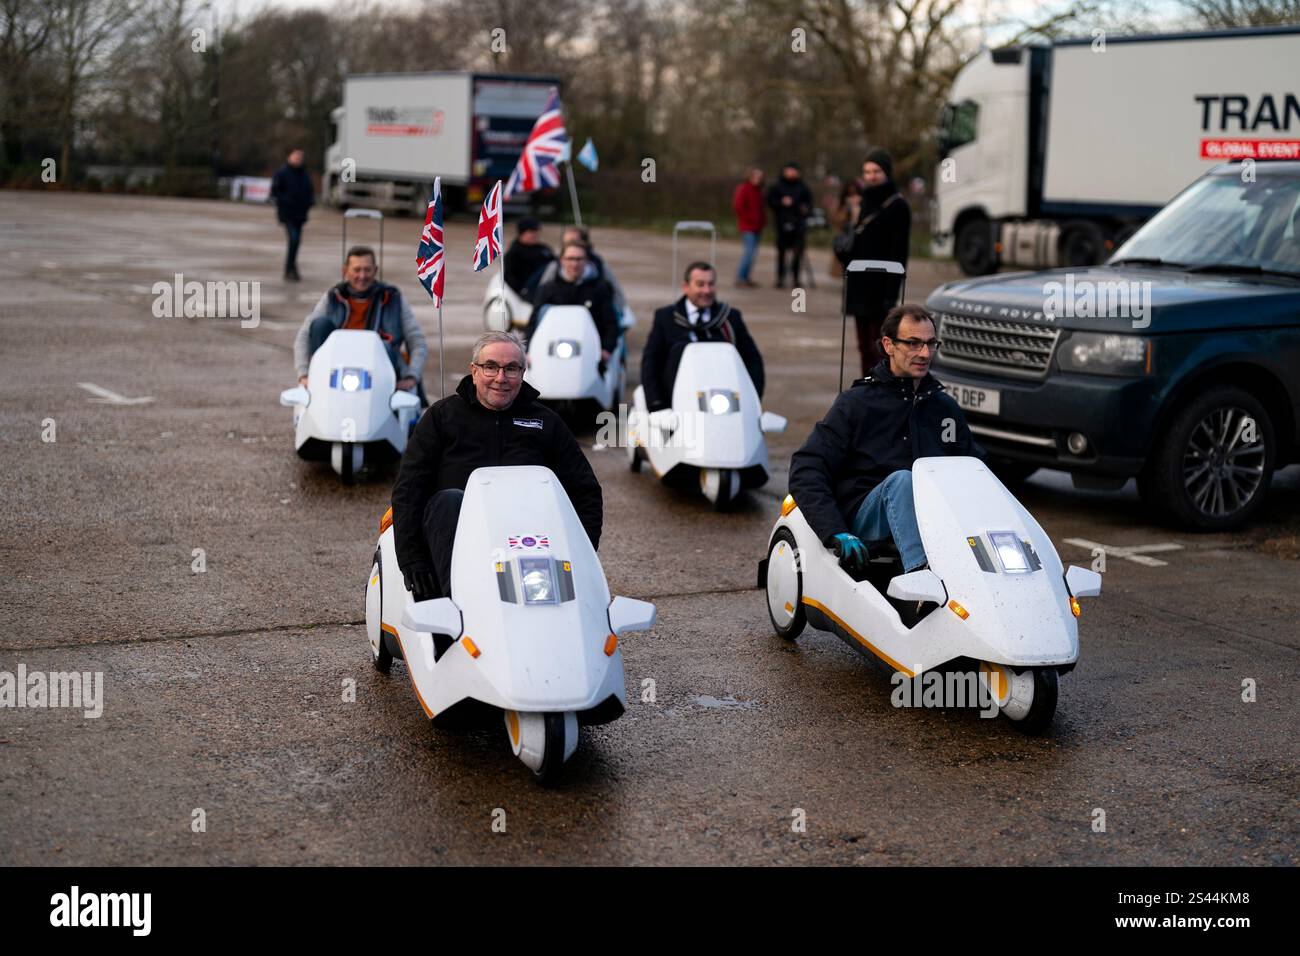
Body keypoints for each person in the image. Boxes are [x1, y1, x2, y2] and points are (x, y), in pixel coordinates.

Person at [390, 331, 603, 612]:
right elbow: (408, 490)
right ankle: (459, 617)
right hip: (457, 536)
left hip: (528, 537)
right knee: (448, 500)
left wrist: (581, 554)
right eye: (491, 366)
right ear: (474, 371)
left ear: (523, 372)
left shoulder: (546, 422)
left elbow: (585, 491)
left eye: (511, 368)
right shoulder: (441, 417)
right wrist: (412, 559)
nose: (501, 378)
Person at [787, 304, 983, 577]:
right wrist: (835, 530)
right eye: (913, 343)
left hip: (934, 517)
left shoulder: (944, 407)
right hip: (867, 518)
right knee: (902, 481)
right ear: (889, 345)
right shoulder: (856, 403)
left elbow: (974, 467)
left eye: (930, 343)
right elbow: (806, 468)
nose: (924, 353)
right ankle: (921, 579)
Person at [293, 245, 427, 400]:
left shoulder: (393, 297)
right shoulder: (333, 296)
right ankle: (319, 395)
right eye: (357, 270)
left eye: (367, 270)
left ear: (375, 270)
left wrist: (412, 376)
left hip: (381, 374)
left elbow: (417, 340)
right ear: (345, 272)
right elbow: (304, 335)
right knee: (319, 324)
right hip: (336, 370)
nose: (362, 276)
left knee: (384, 345)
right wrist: (303, 374)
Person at [641, 261, 764, 412]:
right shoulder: (666, 317)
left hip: (722, 402)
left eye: (711, 284)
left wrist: (751, 401)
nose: (706, 290)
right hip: (675, 402)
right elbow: (651, 363)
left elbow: (753, 361)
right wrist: (657, 403)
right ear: (686, 287)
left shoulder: (729, 319)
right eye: (700, 284)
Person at [835, 148, 912, 375]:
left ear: (886, 172)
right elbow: (856, 243)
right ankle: (866, 390)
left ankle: (882, 391)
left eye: (876, 171)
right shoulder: (861, 200)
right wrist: (842, 249)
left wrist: (891, 292)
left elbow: (900, 252)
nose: (871, 176)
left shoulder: (898, 205)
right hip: (858, 281)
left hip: (881, 285)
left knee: (880, 346)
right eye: (867, 171)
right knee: (862, 346)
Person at [528, 240, 620, 367]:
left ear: (587, 260)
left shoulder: (600, 288)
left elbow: (611, 323)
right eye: (570, 258)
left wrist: (607, 349)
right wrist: (528, 349)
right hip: (551, 348)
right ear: (562, 260)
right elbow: (534, 321)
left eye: (579, 259)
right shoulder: (547, 289)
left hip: (590, 351)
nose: (574, 263)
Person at [533, 225, 629, 315]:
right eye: (566, 242)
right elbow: (540, 295)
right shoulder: (554, 267)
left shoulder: (600, 268)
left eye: (573, 241)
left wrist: (619, 313)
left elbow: (616, 291)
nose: (574, 263)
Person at [766, 161, 813, 288]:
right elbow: (770, 201)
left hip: (798, 225)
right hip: (782, 224)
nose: (791, 173)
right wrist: (781, 202)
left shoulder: (803, 187)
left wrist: (805, 209)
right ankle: (780, 278)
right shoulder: (777, 186)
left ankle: (795, 279)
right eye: (789, 170)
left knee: (798, 253)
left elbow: (809, 205)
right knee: (781, 253)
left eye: (793, 171)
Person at [270, 148, 314, 282]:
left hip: (300, 214)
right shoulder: (282, 173)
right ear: (289, 157)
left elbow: (310, 191)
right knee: (294, 239)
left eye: (300, 158)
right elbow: (275, 192)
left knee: (296, 242)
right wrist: (286, 201)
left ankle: (292, 268)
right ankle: (290, 268)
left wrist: (309, 202)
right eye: (296, 157)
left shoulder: (305, 174)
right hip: (287, 213)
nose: (298, 160)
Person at [502, 217, 555, 299]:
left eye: (537, 231)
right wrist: (522, 291)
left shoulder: (544, 249)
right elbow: (509, 276)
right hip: (528, 290)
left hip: (548, 286)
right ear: (522, 233)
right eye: (532, 231)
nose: (536, 234)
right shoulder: (514, 253)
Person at [732, 168, 766, 287]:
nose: (757, 179)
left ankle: (746, 277)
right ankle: (740, 278)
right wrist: (749, 218)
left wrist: (762, 221)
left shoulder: (758, 191)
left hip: (757, 227)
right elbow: (738, 206)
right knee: (749, 253)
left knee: (753, 253)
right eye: (755, 176)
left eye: (760, 177)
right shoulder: (744, 188)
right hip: (747, 227)